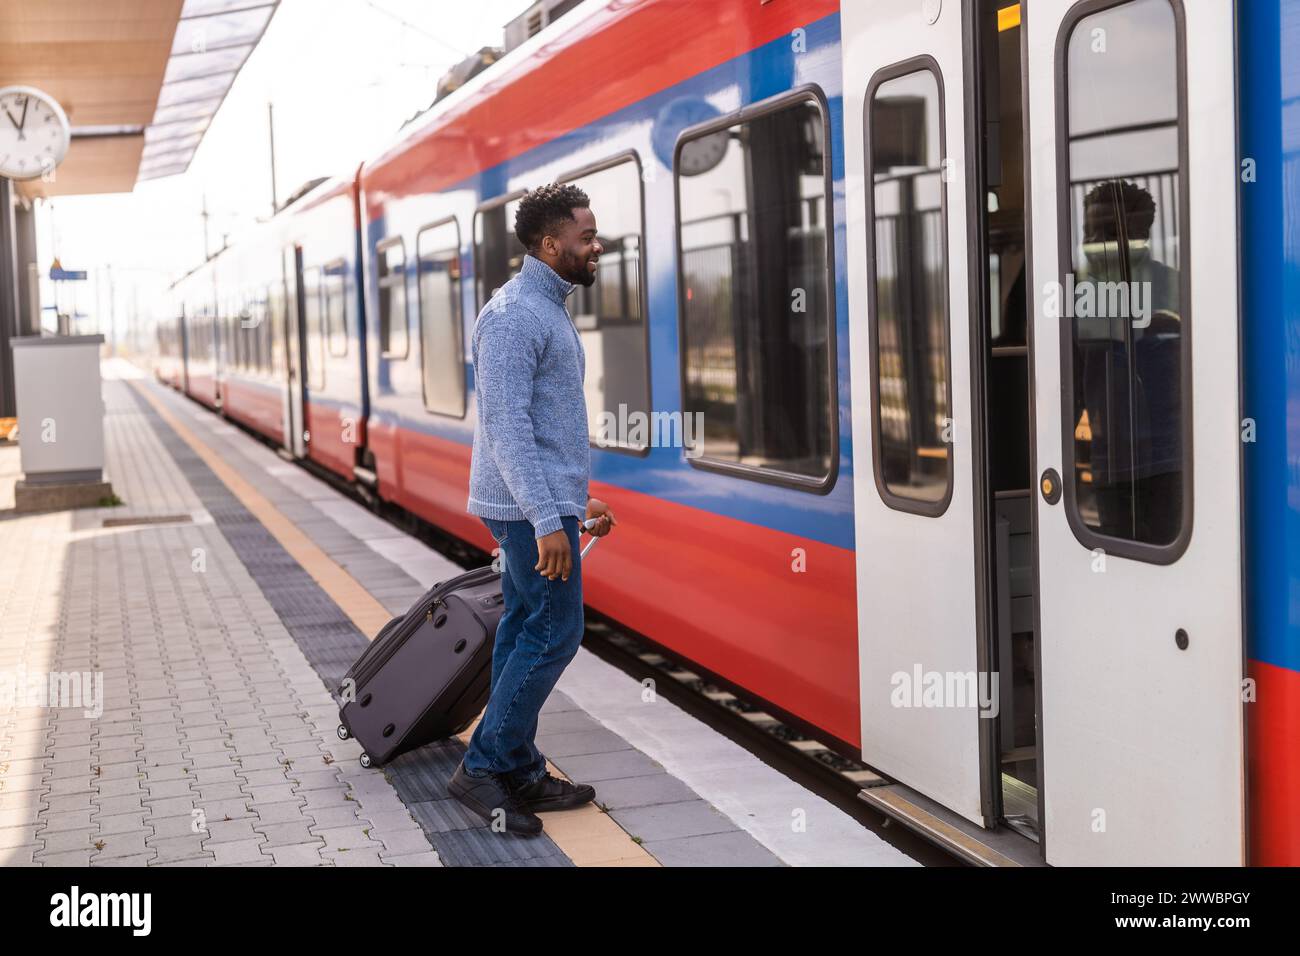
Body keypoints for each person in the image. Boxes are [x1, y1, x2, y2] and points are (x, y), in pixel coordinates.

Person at [449, 183, 617, 836]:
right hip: (525, 513)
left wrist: (574, 502)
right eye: (586, 236)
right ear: (551, 244)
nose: (596, 245)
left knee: (524, 627)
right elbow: (508, 428)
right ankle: (485, 766)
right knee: (554, 632)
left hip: (540, 504)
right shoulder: (517, 313)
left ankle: (516, 765)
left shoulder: (545, 305)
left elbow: (544, 427)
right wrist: (549, 520)